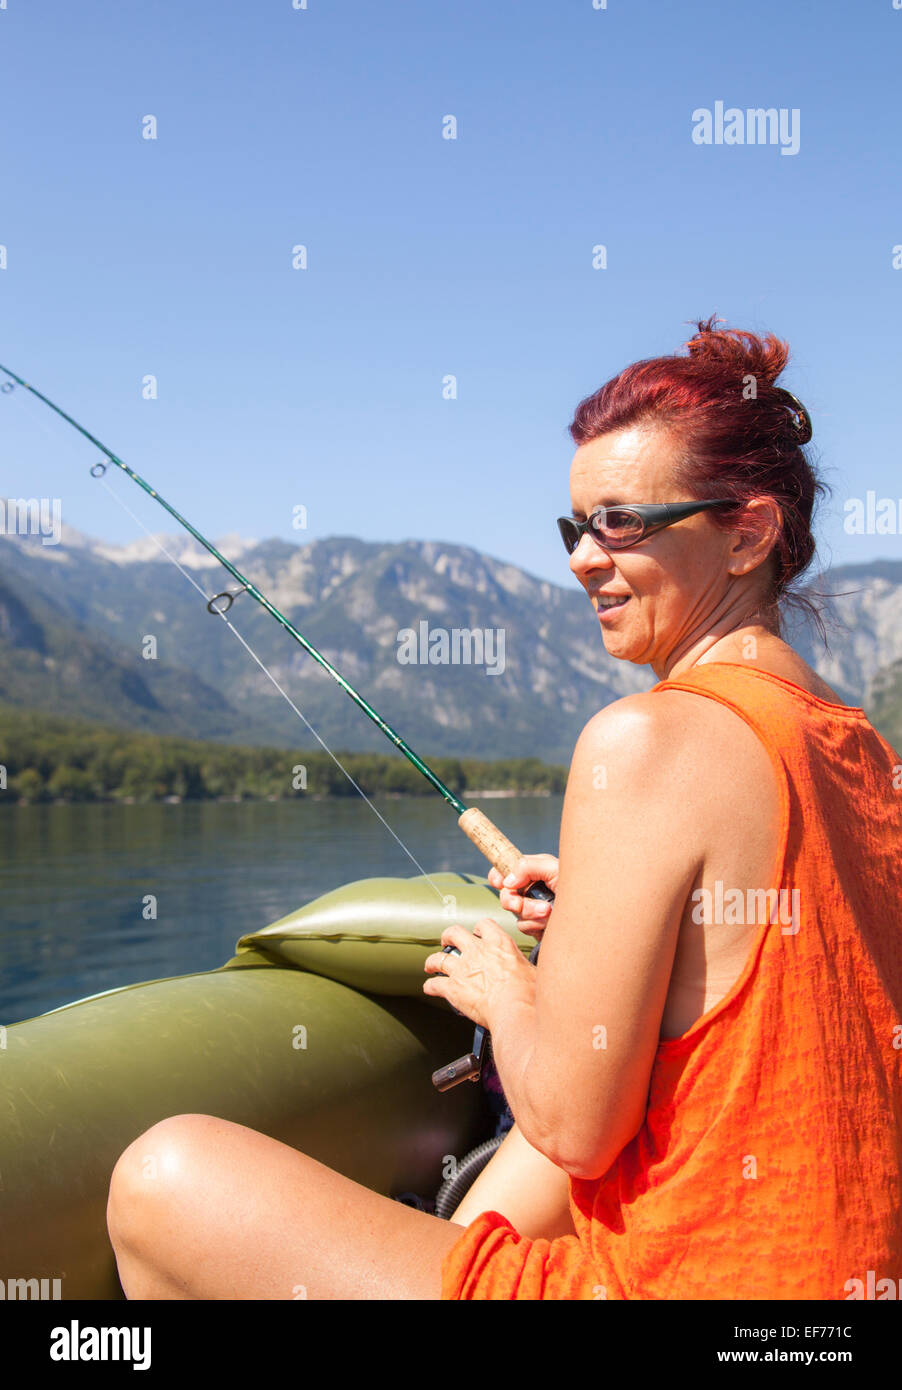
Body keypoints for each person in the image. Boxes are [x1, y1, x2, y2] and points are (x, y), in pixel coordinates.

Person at [106, 318, 902, 1299]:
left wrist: (503, 991)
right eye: (575, 527)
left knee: (161, 1172)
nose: (579, 559)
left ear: (746, 532)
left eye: (620, 522)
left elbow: (573, 1125)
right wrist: (607, 898)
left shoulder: (646, 738)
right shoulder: (856, 744)